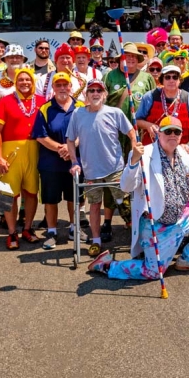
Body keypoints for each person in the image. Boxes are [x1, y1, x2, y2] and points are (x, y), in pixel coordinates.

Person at [88, 116, 189, 279]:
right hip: (157, 223)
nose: (172, 135)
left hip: (183, 215)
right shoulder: (143, 154)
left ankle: (188, 259)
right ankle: (107, 264)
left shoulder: (185, 153)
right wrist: (134, 160)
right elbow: (126, 187)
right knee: (153, 272)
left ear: (181, 135)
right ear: (159, 133)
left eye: (177, 131)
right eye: (168, 131)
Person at [66, 78, 137, 257]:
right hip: (91, 170)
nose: (95, 94)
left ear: (104, 94)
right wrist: (74, 162)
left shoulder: (115, 112)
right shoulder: (78, 114)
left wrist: (135, 146)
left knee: (124, 202)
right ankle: (96, 241)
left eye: (99, 91)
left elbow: (130, 131)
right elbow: (70, 140)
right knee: (95, 206)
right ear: (86, 95)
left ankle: (136, 237)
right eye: (92, 91)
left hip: (115, 168)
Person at [27, 71, 81, 250]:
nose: (63, 88)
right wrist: (62, 148)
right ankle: (51, 231)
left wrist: (70, 147)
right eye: (58, 85)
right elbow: (40, 136)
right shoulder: (45, 109)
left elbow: (86, 131)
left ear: (70, 86)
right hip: (51, 163)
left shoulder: (81, 107)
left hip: (75, 162)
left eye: (65, 85)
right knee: (51, 200)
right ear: (53, 88)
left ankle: (75, 229)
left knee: (75, 197)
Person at [0, 68, 43, 249]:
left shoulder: (42, 102)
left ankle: (28, 228)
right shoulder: (5, 102)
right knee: (8, 194)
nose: (24, 83)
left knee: (31, 192)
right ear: (15, 82)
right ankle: (12, 232)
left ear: (33, 81)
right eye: (21, 79)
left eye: (28, 79)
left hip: (34, 151)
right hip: (9, 152)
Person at [136, 64, 189, 145]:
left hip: (182, 148)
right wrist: (148, 125)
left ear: (179, 80)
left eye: (175, 77)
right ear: (162, 80)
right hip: (153, 147)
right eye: (167, 77)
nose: (171, 80)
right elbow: (137, 120)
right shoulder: (150, 96)